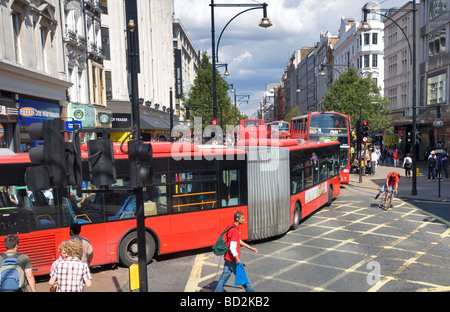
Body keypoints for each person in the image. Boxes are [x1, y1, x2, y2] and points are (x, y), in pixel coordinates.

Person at [214, 211, 258, 292]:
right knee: (244, 280)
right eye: (242, 218)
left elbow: (238, 240)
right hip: (233, 260)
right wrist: (238, 260)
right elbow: (232, 248)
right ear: (238, 219)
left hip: (227, 258)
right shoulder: (234, 231)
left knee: (224, 277)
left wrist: (250, 247)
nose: (244, 220)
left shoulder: (231, 226)